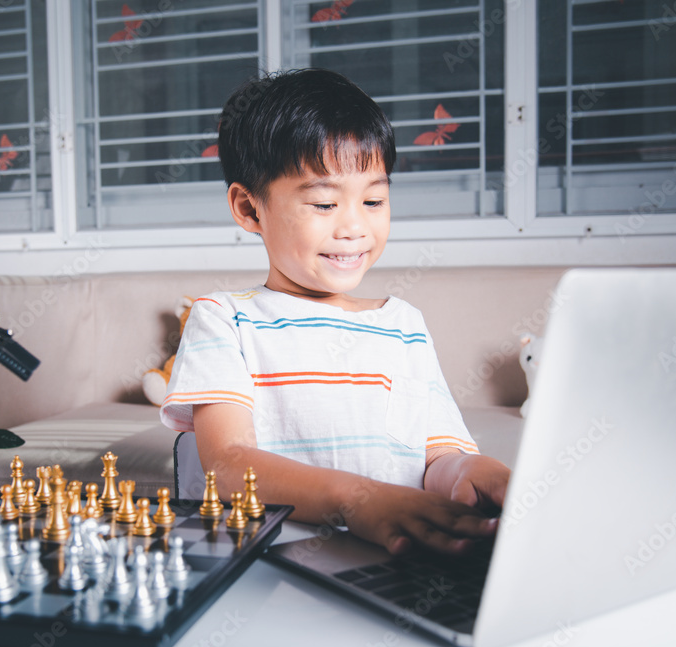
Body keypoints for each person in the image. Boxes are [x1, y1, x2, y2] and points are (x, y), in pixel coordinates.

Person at [160, 69, 510, 555]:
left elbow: (438, 458)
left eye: (373, 199)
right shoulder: (224, 320)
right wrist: (356, 500)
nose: (354, 227)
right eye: (324, 203)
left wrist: (475, 471)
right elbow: (229, 466)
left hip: (395, 559)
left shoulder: (402, 325)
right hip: (272, 565)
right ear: (248, 208)